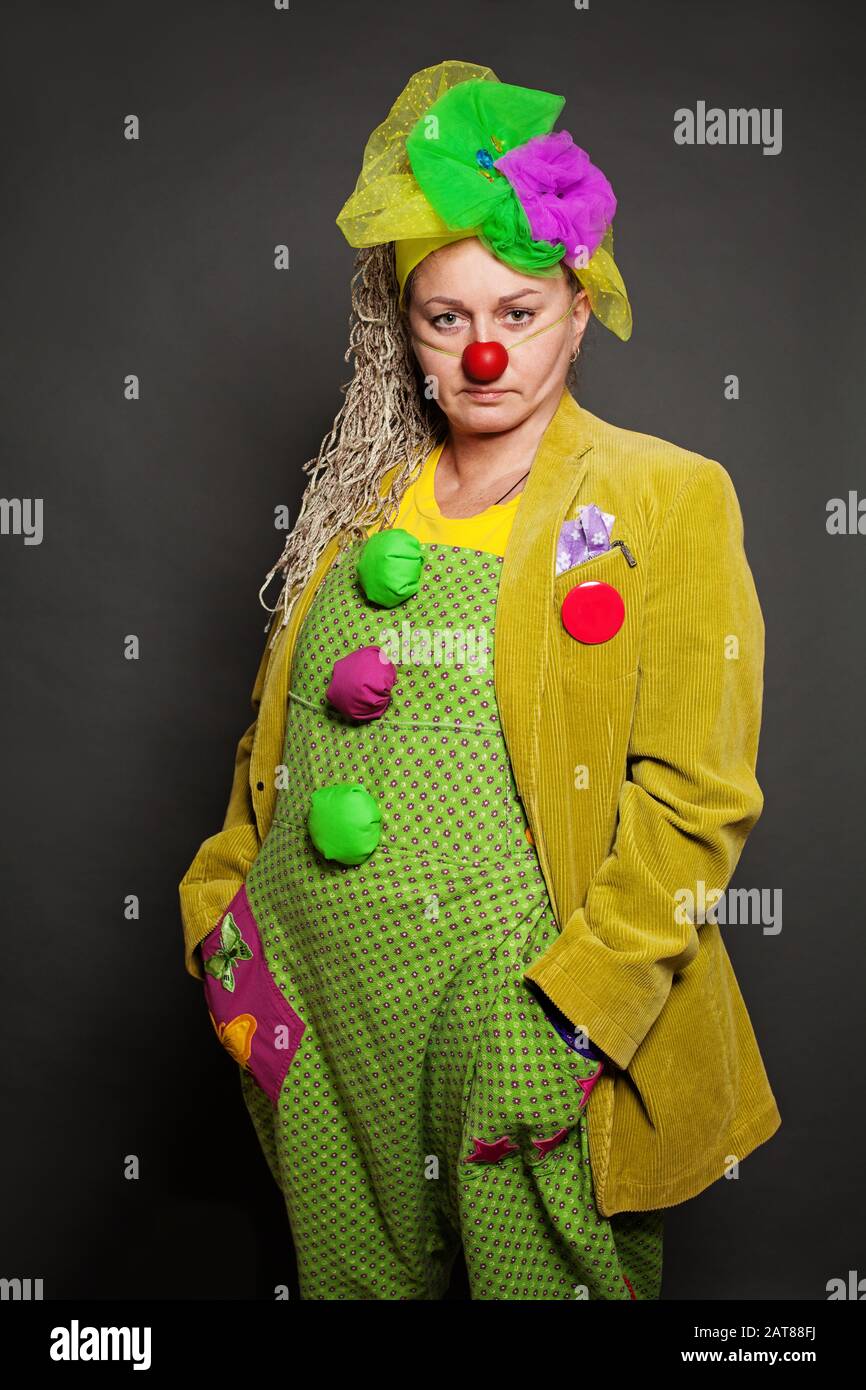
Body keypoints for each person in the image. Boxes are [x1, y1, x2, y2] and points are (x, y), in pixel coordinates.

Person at [179, 59, 781, 1301]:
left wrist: (576, 1013)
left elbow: (693, 801)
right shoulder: (353, 498)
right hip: (321, 1011)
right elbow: (270, 737)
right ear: (403, 331)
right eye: (446, 319)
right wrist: (225, 928)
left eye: (517, 312)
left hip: (514, 1018)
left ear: (576, 307)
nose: (484, 353)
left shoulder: (662, 496)